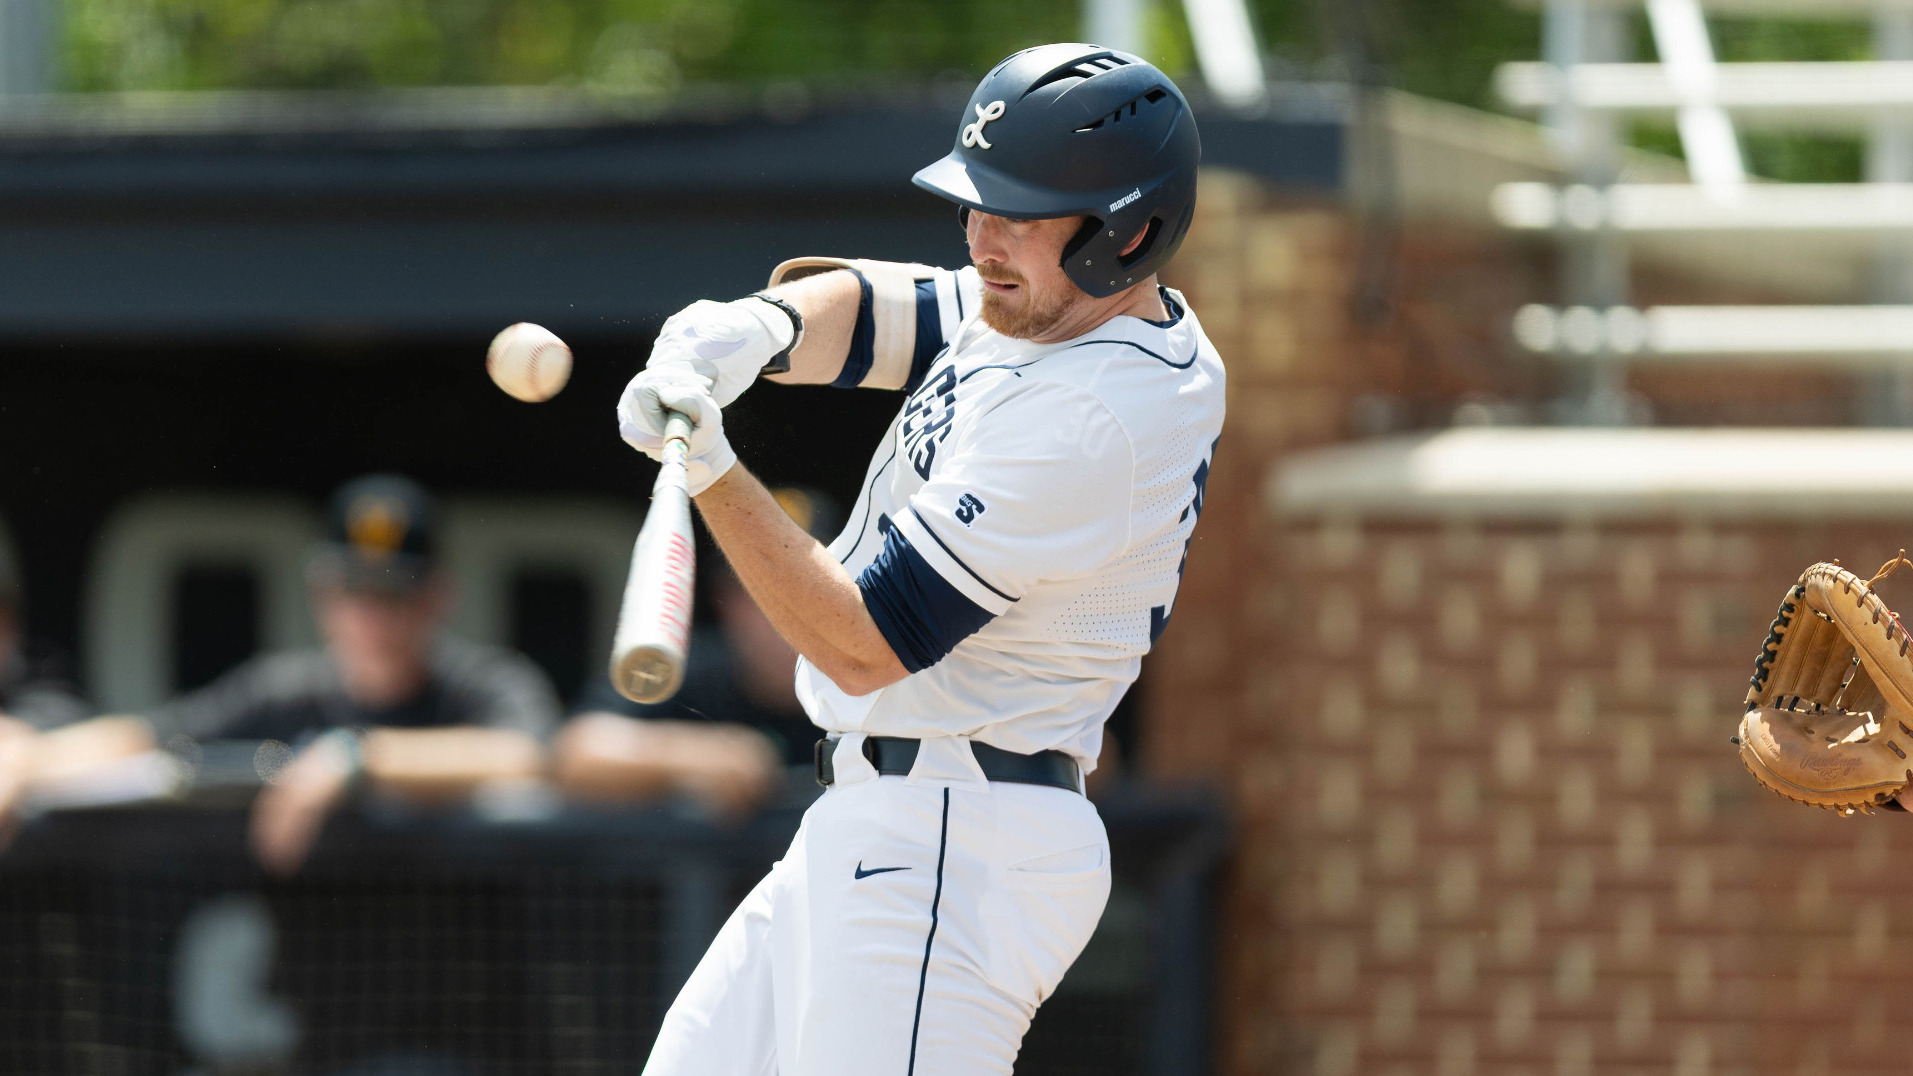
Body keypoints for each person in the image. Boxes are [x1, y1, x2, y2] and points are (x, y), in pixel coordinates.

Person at [615, 43, 1222, 1075]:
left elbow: (862, 642)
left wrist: (712, 464)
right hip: (883, 817)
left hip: (956, 835)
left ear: (1126, 231)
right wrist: (756, 328)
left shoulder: (1094, 413)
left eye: (1019, 212)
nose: (983, 236)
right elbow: (889, 309)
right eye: (977, 204)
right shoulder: (1044, 311)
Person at [149, 474, 561, 875]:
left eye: (394, 595)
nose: (373, 619)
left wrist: (352, 757)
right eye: (354, 592)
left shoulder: (482, 682)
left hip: (454, 931)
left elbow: (530, 754)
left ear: (438, 597)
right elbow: (149, 740)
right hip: (320, 936)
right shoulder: (283, 690)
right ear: (320, 594)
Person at [556, 488, 838, 815]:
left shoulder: (891, 674)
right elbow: (575, 754)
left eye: (806, 582)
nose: (783, 608)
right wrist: (693, 754)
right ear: (724, 599)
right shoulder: (683, 667)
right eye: (758, 586)